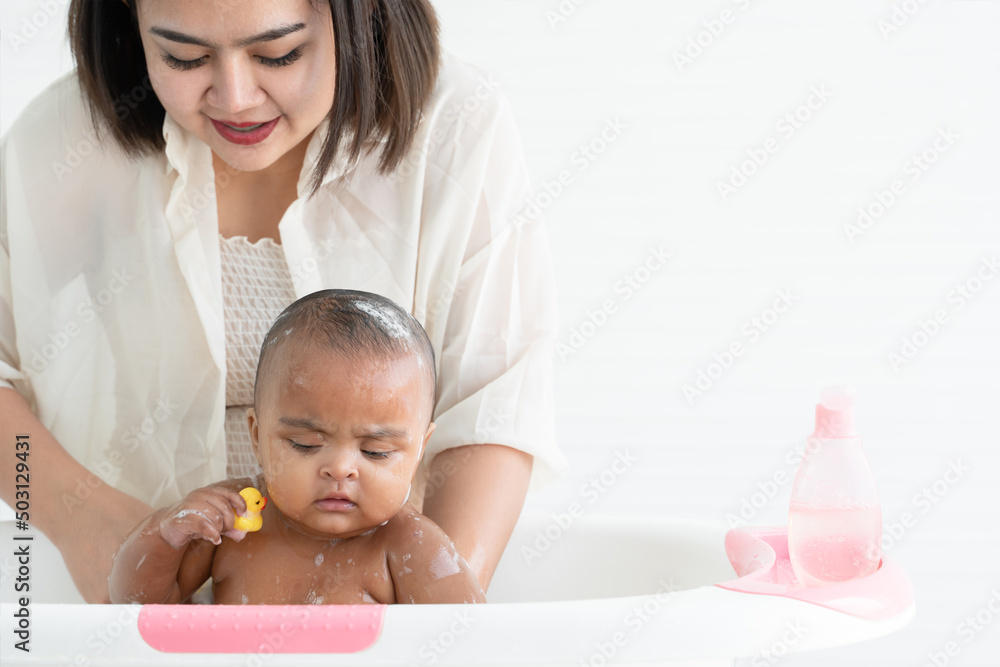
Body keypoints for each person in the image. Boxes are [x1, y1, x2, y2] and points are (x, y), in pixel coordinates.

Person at [0, 0, 567, 603]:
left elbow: (495, 403)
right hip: (124, 605)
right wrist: (82, 520)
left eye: (280, 53)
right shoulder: (68, 141)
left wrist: (420, 610)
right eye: (183, 57)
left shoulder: (455, 127)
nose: (236, 97)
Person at [110, 289, 485, 605]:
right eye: (306, 444)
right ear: (257, 437)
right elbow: (135, 605)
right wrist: (164, 537)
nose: (340, 468)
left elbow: (472, 640)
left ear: (419, 450)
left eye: (375, 451)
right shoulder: (233, 520)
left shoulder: (410, 546)